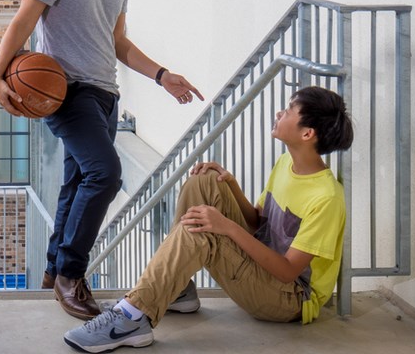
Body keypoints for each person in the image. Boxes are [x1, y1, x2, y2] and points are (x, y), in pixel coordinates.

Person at [0, 0, 206, 320]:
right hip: (68, 91)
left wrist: (162, 75)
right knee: (105, 175)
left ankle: (52, 272)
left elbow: (119, 43)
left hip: (107, 93)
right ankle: (71, 275)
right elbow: (23, 22)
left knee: (77, 182)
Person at [63, 86, 356, 352]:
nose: (280, 112)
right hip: (261, 271)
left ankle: (132, 316)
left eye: (290, 110)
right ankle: (176, 291)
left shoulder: (327, 197)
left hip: (289, 298)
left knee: (202, 233)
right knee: (204, 182)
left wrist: (225, 226)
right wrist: (231, 186)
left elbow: (287, 271)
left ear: (307, 134)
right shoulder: (286, 164)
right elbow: (258, 223)